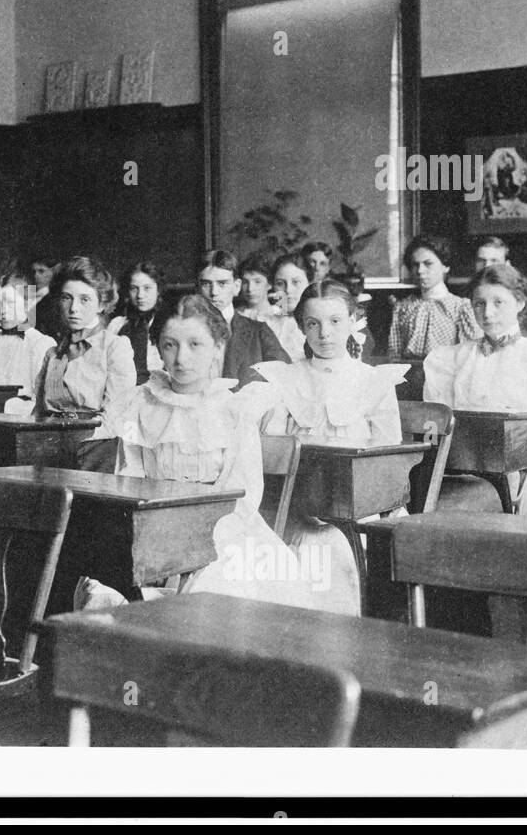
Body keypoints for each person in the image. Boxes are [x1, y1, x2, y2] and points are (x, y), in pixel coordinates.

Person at [76, 295, 357, 616]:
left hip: (227, 533)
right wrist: (157, 532)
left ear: (217, 346)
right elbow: (129, 477)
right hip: (153, 529)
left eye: (195, 344)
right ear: (157, 347)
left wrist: (197, 538)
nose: (182, 358)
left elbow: (244, 497)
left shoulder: (232, 410)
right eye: (170, 345)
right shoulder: (139, 405)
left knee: (216, 583)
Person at [252, 280, 412, 616]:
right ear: (302, 328)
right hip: (294, 504)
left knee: (332, 545)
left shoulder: (373, 381)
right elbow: (272, 453)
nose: (325, 333)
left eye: (336, 321)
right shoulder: (285, 379)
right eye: (314, 323)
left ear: (354, 321)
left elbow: (387, 461)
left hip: (361, 506)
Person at [423, 263, 527, 519]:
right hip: (461, 470)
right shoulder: (450, 359)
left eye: (498, 302)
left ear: (520, 303)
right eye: (479, 303)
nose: (487, 312)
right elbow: (435, 423)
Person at [28, 255, 135, 416]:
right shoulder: (53, 354)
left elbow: (116, 416)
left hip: (98, 437)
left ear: (101, 304)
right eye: (66, 298)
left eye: (84, 299)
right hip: (50, 437)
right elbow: (39, 412)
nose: (73, 309)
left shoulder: (114, 347)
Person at [195, 249, 289, 385]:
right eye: (206, 284)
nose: (214, 292)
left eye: (222, 283)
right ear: (197, 288)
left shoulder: (259, 332)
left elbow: (287, 381)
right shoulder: (183, 331)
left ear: (236, 286)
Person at [387, 235, 481, 359]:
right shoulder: (402, 307)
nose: (420, 270)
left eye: (428, 264)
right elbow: (394, 355)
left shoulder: (460, 307)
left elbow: (469, 356)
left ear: (445, 266)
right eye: (416, 265)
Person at [0, 270, 55, 396]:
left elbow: (44, 399)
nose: (2, 310)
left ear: (27, 303)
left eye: (10, 302)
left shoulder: (41, 344)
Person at [106, 261, 166, 385]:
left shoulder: (168, 323)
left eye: (147, 288)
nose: (140, 295)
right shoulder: (117, 325)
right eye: (134, 289)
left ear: (158, 290)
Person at [263, 254, 310, 361]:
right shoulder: (264, 323)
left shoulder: (320, 324)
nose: (288, 290)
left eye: (296, 282)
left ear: (310, 283)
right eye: (280, 283)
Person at [235, 253, 278, 321]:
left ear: (269, 284)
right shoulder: (235, 315)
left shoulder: (279, 316)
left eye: (257, 282)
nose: (250, 289)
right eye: (245, 282)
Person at [30, 254, 62, 338]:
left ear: (53, 272)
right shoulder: (30, 296)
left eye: (41, 271)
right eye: (34, 272)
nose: (35, 276)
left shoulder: (54, 299)